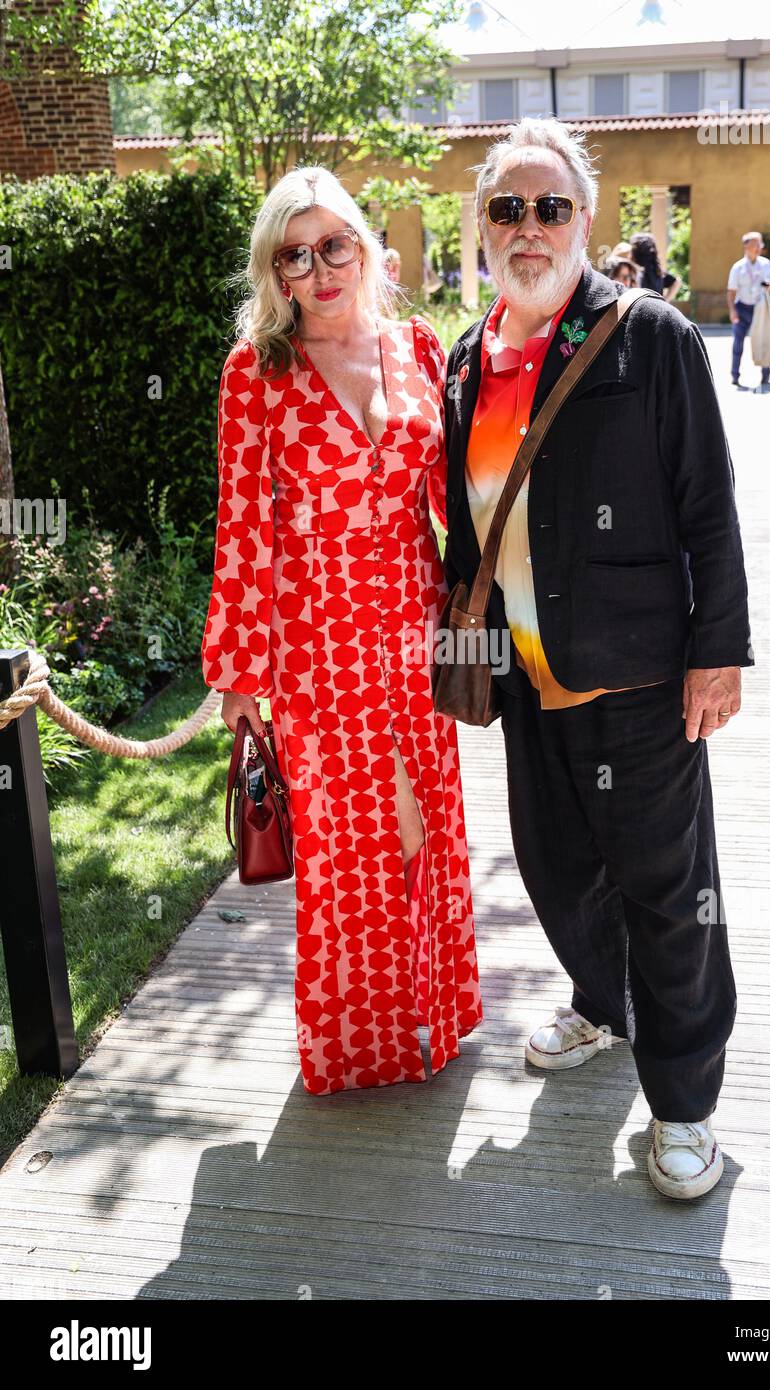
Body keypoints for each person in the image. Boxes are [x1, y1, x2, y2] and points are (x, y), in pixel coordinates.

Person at [439, 117, 753, 1200]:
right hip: (532, 677)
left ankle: (684, 1104)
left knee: (670, 894)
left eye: (552, 207)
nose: (529, 229)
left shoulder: (649, 335)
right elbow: (463, 534)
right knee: (557, 866)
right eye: (508, 208)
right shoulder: (467, 359)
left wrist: (719, 651)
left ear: (586, 220)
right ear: (482, 224)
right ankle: (604, 1004)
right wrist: (465, 663)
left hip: (640, 677)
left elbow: (708, 505)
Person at [201, 166, 483, 1095]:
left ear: (366, 248)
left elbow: (457, 499)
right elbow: (241, 527)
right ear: (273, 272)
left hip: (415, 625)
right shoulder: (256, 374)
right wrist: (240, 675)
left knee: (424, 825)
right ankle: (361, 1047)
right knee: (346, 850)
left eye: (335, 245)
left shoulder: (417, 345)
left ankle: (431, 1023)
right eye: (294, 254)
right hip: (316, 642)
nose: (318, 270)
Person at [727, 232, 770, 391]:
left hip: (760, 308)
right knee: (738, 342)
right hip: (742, 308)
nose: (759, 248)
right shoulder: (738, 267)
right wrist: (732, 311)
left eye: (760, 245)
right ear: (747, 246)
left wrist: (769, 285)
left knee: (764, 340)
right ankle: (735, 375)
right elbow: (731, 292)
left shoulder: (766, 264)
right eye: (756, 245)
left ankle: (765, 376)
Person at [629, 231, 681, 301]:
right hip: (657, 309)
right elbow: (676, 282)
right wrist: (665, 301)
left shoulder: (636, 271)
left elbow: (676, 282)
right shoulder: (656, 270)